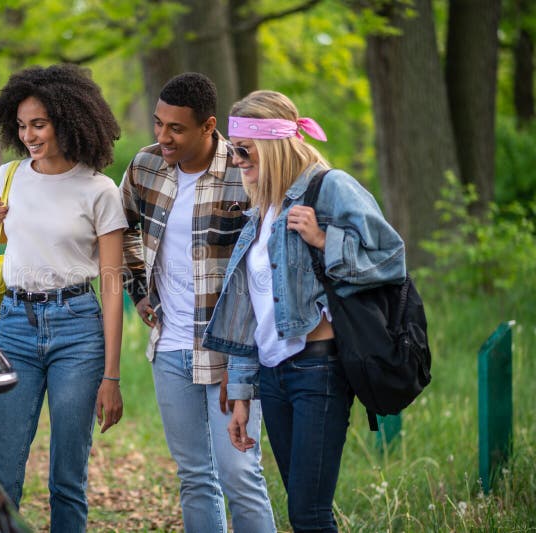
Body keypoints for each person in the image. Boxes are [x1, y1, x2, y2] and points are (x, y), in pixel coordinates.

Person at [203, 90, 407, 532]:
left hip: (318, 370)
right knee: (302, 507)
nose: (236, 160)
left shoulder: (329, 187)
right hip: (274, 375)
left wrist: (323, 241)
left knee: (308, 514)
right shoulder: (261, 208)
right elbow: (249, 307)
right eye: (232, 151)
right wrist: (240, 392)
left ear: (275, 144)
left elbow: (391, 257)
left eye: (244, 150)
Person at [0, 64, 126, 532]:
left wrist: (112, 375)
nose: (28, 135)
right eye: (21, 125)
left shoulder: (99, 190)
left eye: (39, 124)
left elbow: (113, 288)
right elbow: (17, 242)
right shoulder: (9, 176)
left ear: (68, 120)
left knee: (67, 478)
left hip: (78, 330)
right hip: (14, 325)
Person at [121, 72, 276, 532]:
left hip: (232, 351)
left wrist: (243, 356)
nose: (163, 137)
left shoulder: (246, 169)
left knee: (240, 474)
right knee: (194, 476)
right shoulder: (146, 166)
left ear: (209, 126)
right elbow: (123, 228)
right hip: (170, 347)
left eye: (176, 128)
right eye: (158, 124)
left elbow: (265, 264)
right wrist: (138, 289)